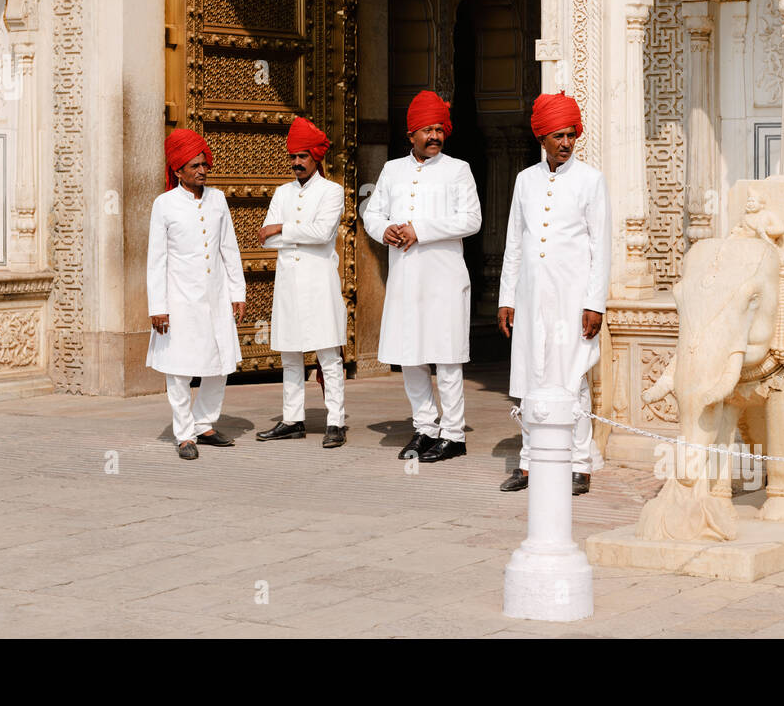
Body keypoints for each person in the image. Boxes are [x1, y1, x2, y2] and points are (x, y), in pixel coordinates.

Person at [497, 92, 610, 495]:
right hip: (530, 299)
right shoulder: (525, 180)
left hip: (571, 300)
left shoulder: (591, 180)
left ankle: (579, 465)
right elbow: (515, 242)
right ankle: (529, 464)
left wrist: (594, 304)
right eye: (557, 136)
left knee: (572, 378)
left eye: (570, 135)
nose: (565, 143)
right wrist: (506, 298)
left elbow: (602, 247)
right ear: (541, 137)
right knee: (530, 377)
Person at [362, 90, 481, 463]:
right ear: (410, 134)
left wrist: (419, 229)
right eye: (427, 130)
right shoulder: (392, 170)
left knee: (445, 357)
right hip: (405, 277)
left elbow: (471, 220)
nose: (435, 136)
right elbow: (372, 213)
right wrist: (386, 231)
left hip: (444, 279)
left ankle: (454, 433)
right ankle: (426, 428)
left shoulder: (457, 169)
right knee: (411, 355)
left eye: (439, 129)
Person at [147, 128, 246, 460]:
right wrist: (158, 307)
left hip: (216, 297)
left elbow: (229, 249)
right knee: (178, 369)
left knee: (220, 363)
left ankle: (205, 424)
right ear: (178, 170)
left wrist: (238, 293)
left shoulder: (217, 199)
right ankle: (184, 434)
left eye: (204, 164)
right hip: (178, 300)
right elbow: (156, 260)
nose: (202, 170)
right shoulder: (164, 204)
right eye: (194, 166)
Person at [255, 116, 348, 448]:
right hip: (289, 285)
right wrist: (287, 234)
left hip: (319, 284)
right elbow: (265, 240)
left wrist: (282, 229)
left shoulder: (332, 191)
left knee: (328, 354)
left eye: (303, 156)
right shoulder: (281, 193)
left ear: (316, 157)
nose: (296, 162)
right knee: (290, 355)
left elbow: (323, 234)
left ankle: (335, 422)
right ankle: (292, 419)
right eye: (293, 156)